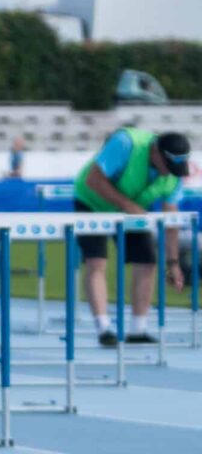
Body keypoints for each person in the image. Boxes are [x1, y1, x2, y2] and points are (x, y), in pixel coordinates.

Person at [73, 128, 190, 346]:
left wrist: (173, 263)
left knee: (147, 261)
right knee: (96, 261)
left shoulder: (174, 174)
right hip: (92, 202)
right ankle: (104, 328)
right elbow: (94, 180)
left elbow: (170, 221)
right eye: (168, 166)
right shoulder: (126, 143)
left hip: (132, 208)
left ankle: (138, 329)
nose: (169, 173)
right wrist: (127, 206)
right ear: (155, 153)